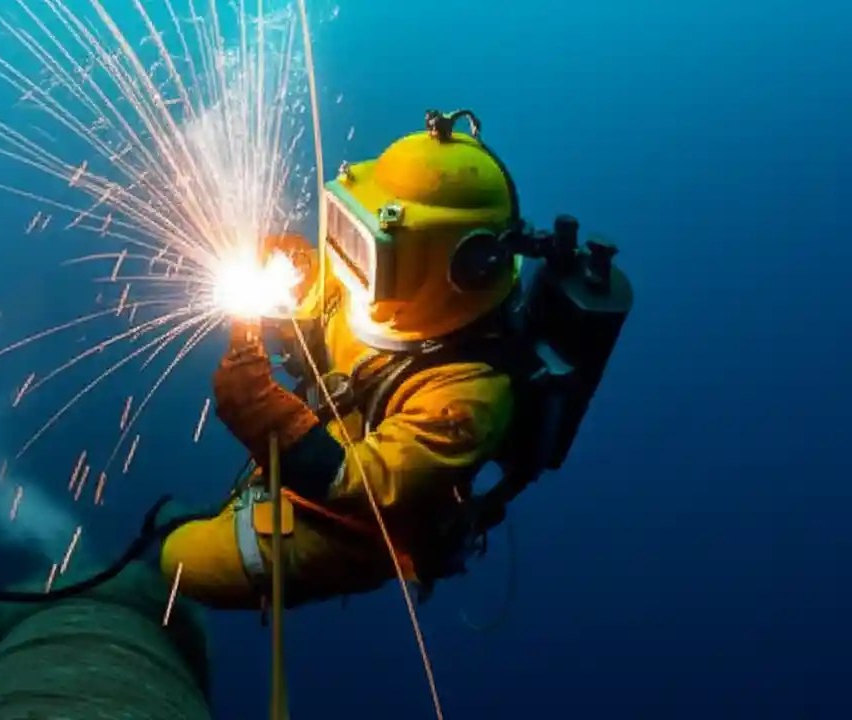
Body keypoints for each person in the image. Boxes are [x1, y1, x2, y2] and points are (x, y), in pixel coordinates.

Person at [158, 109, 632, 610]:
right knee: (180, 523)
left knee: (182, 561)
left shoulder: (469, 397)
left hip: (367, 518)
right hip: (332, 433)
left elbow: (358, 483)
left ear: (453, 266)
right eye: (348, 229)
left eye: (367, 247)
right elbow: (327, 302)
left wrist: (263, 414)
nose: (349, 260)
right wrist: (293, 272)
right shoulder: (382, 292)